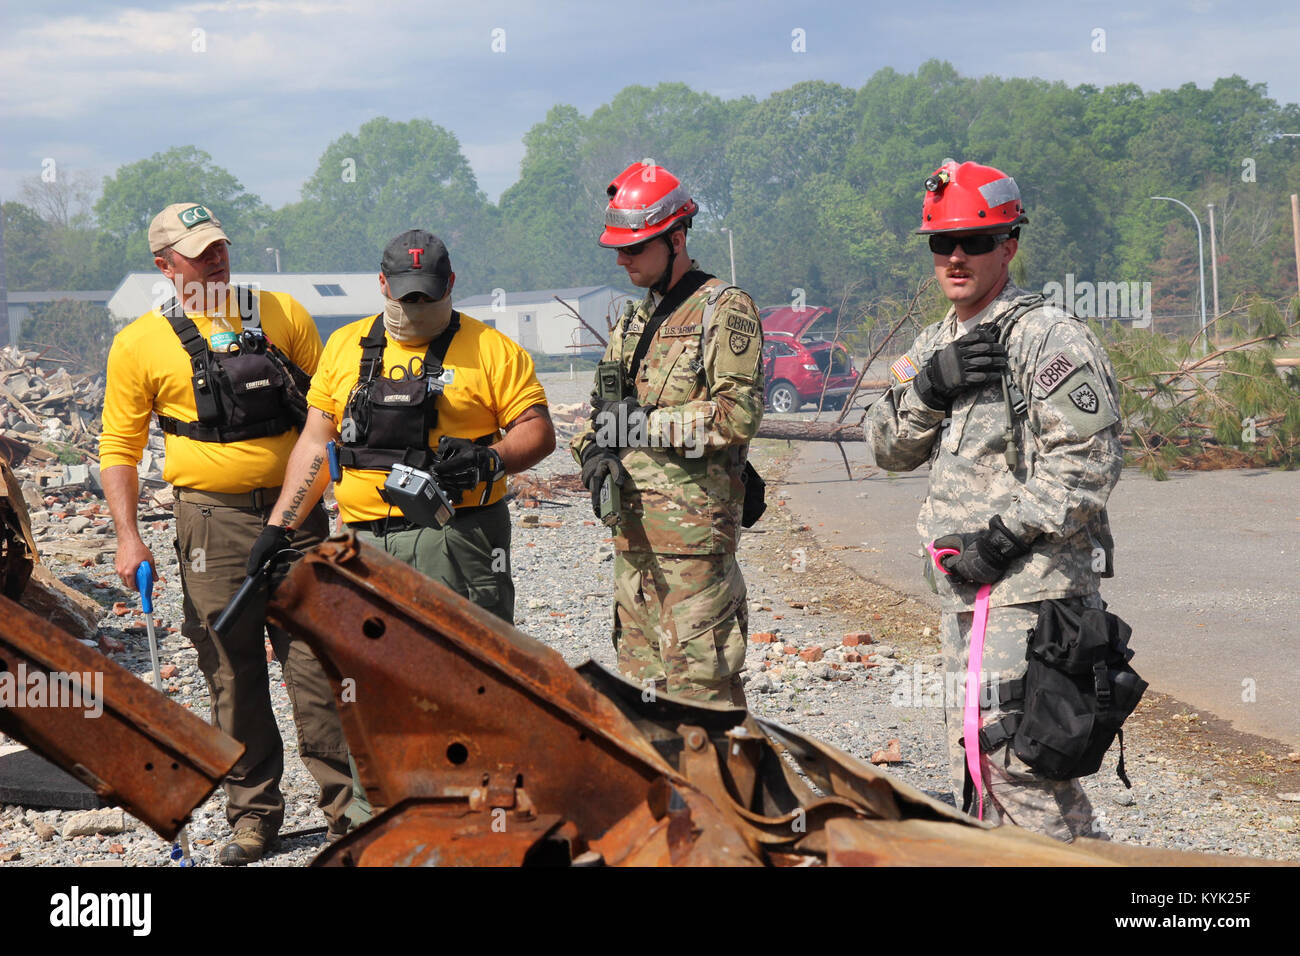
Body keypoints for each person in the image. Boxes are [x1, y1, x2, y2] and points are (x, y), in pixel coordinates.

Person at [254, 229, 554, 822]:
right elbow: (317, 443)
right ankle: (379, 827)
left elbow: (538, 433)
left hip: (459, 538)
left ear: (451, 285)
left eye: (429, 296)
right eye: (405, 296)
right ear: (383, 285)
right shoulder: (343, 347)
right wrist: (280, 526)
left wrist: (490, 457)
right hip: (365, 543)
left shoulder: (493, 350)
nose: (416, 309)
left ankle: (479, 827)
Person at [867, 160, 1124, 842]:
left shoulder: (1047, 337)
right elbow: (885, 445)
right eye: (941, 243)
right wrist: (928, 389)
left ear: (1008, 244)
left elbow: (1090, 458)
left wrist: (1003, 541)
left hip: (1032, 594)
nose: (956, 257)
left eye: (974, 242)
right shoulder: (932, 345)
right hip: (965, 596)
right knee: (979, 763)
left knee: (1022, 764)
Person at [100, 202, 352, 865]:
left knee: (318, 664)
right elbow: (119, 450)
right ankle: (254, 820)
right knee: (229, 671)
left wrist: (339, 499)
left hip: (297, 514)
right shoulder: (138, 345)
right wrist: (129, 537)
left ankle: (347, 810)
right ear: (165, 266)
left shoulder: (281, 314)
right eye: (199, 252)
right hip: (210, 520)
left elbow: (326, 417)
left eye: (220, 247)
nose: (217, 259)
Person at [571, 163, 764, 706]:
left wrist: (641, 426)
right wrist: (593, 454)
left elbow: (737, 414)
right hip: (633, 543)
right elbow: (597, 415)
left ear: (676, 238)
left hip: (695, 550)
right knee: (643, 699)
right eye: (618, 250)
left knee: (705, 698)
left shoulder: (724, 310)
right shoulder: (632, 321)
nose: (621, 260)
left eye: (634, 249)